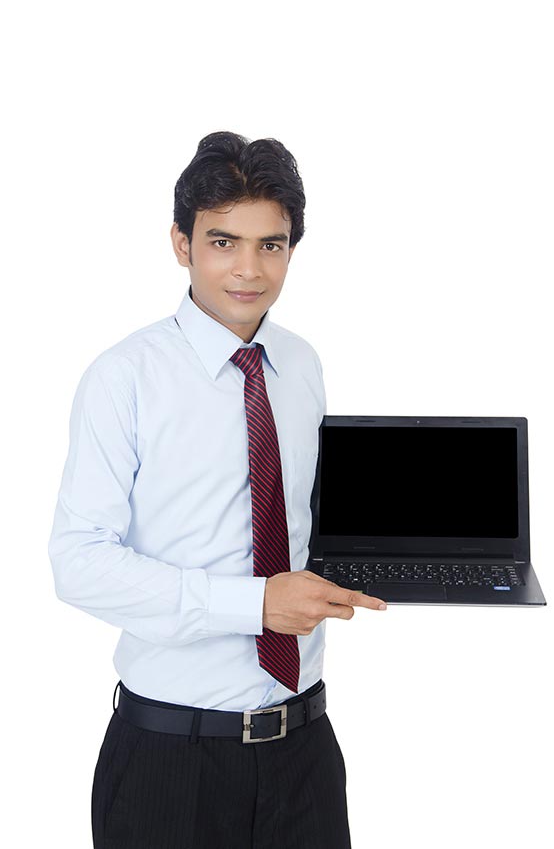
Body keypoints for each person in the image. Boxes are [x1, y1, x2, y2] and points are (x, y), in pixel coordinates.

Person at [47, 131, 387, 849]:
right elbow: (77, 562)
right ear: (181, 243)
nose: (249, 270)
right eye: (224, 241)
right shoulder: (123, 378)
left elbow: (301, 520)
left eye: (272, 245)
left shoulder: (301, 364)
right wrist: (257, 604)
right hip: (172, 760)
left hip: (305, 752)